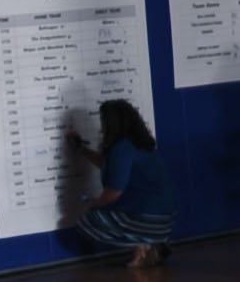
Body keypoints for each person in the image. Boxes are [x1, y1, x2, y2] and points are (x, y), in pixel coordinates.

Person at [64, 99, 177, 270]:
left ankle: (144, 245)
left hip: (148, 218)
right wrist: (81, 149)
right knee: (107, 211)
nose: (101, 128)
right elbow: (107, 164)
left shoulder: (122, 148)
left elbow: (115, 190)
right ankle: (150, 245)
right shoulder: (138, 144)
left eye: (103, 122)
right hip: (165, 219)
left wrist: (95, 203)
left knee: (90, 222)